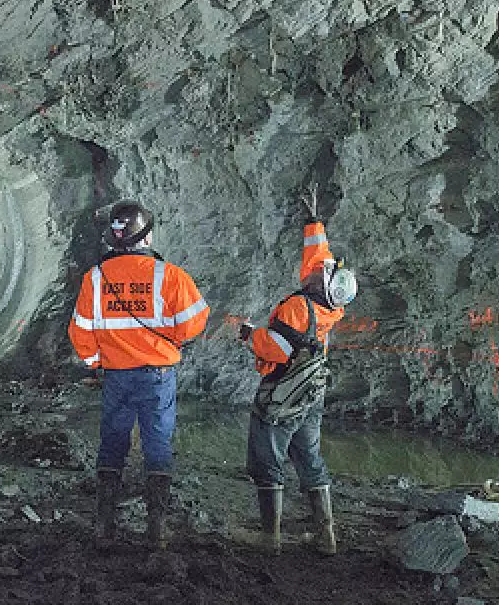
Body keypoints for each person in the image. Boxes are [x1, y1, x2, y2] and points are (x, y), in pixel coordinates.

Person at [68, 199, 210, 550]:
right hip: (158, 374)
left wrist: (96, 362)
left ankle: (104, 525)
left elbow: (80, 332)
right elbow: (195, 323)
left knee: (113, 440)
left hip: (116, 375)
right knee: (157, 442)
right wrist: (169, 340)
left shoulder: (95, 278)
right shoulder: (170, 275)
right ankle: (157, 528)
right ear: (146, 236)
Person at [239, 184, 357, 555]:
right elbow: (318, 256)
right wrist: (314, 221)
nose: (320, 268)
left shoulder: (297, 308)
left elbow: (272, 349)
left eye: (323, 273)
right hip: (311, 395)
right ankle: (327, 537)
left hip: (282, 394)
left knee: (267, 459)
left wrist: (247, 334)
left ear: (322, 286)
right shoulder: (328, 306)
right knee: (309, 456)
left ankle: (270, 538)